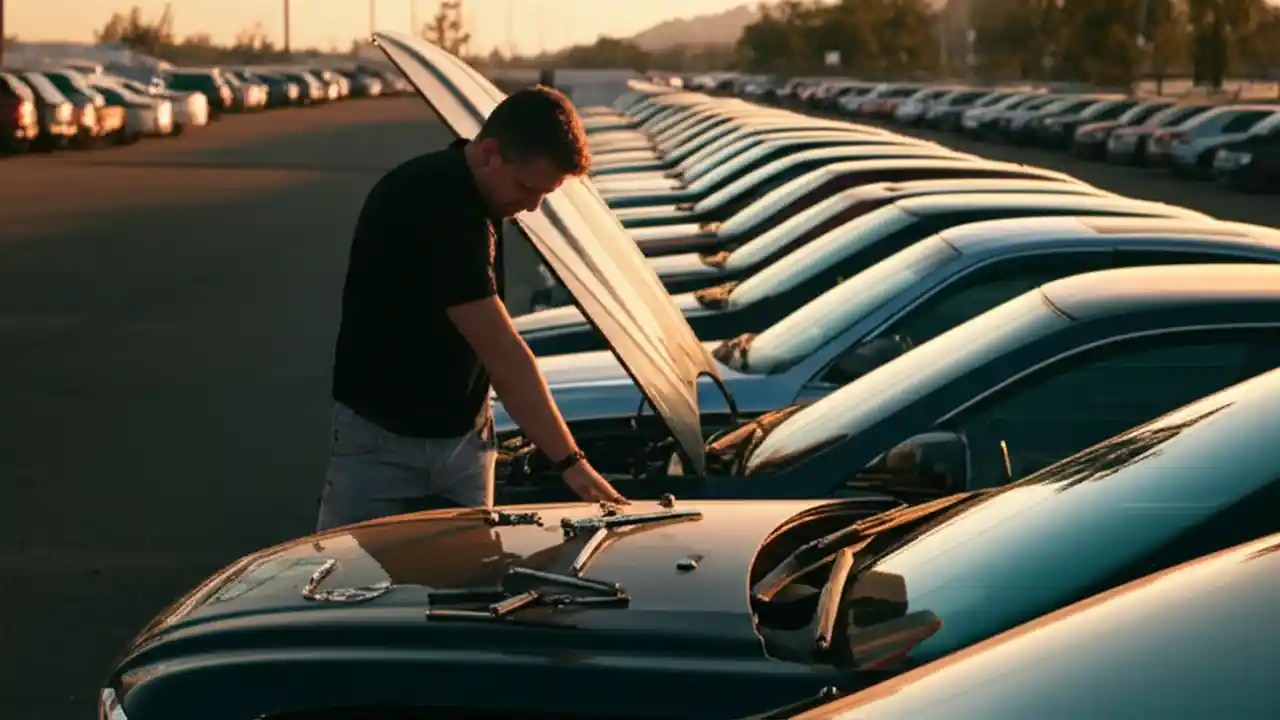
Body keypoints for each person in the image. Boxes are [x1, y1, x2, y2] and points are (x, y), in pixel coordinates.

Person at [316, 86, 629, 531]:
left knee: (470, 593)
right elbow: (502, 352)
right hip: (383, 446)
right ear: (489, 153)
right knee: (349, 588)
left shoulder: (477, 195)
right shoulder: (435, 204)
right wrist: (571, 463)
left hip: (464, 437)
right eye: (527, 187)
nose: (533, 205)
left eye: (545, 194)